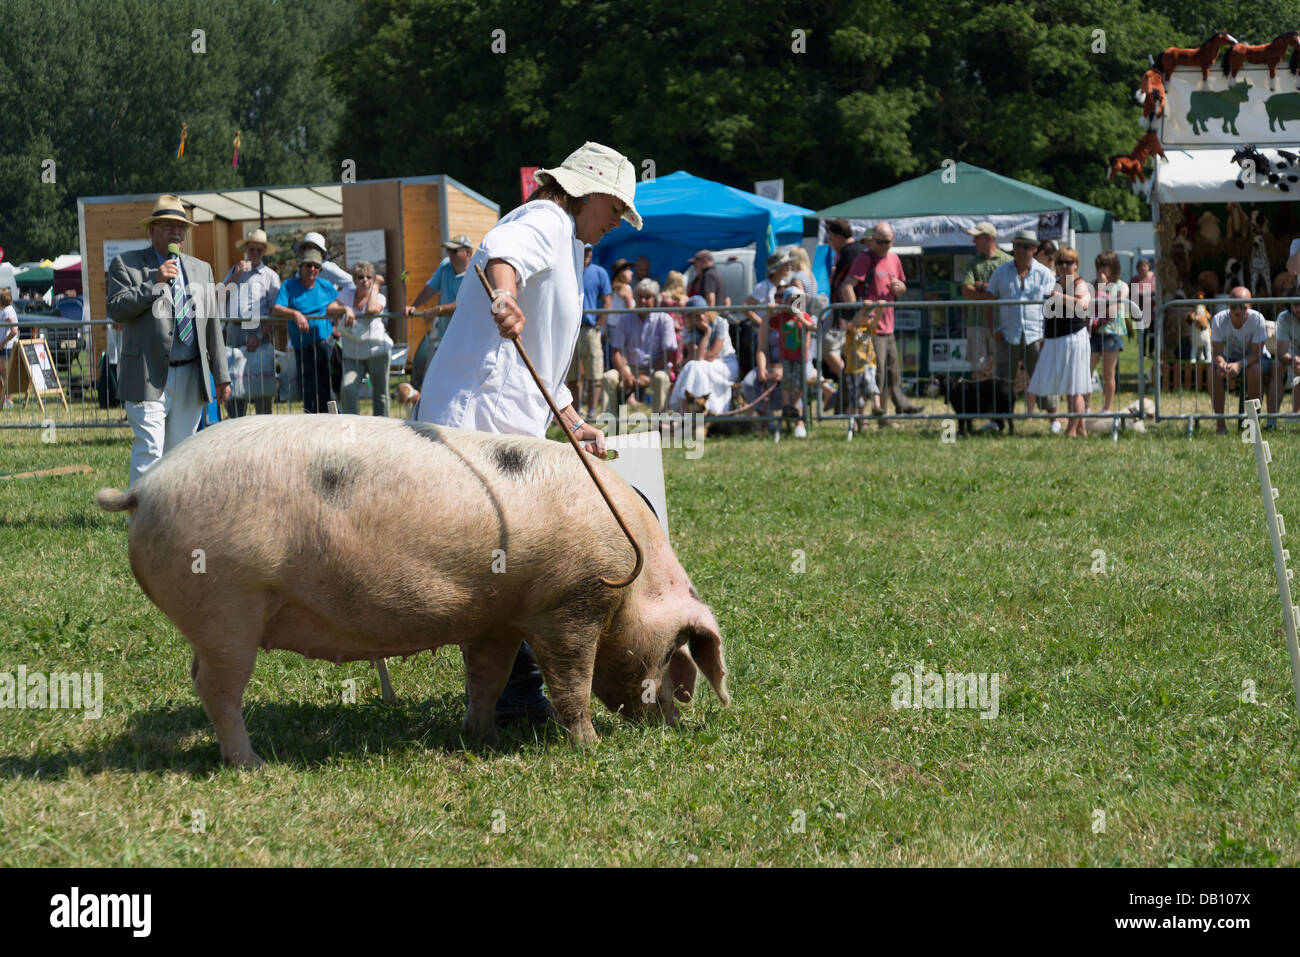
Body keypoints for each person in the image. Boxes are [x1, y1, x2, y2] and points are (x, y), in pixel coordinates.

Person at [416, 140, 638, 726]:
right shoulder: (543, 217)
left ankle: (510, 693)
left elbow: (542, 360)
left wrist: (572, 420)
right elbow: (501, 253)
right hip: (475, 420)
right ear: (587, 192)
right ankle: (515, 696)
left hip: (507, 425)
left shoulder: (571, 245)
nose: (615, 224)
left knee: (510, 557)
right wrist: (506, 297)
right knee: (505, 556)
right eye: (614, 210)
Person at [105, 194, 231, 485]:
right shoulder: (127, 264)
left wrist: (221, 375)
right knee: (150, 449)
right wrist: (154, 283)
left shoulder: (202, 269)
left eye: (181, 226)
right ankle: (140, 521)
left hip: (190, 373)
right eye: (168, 225)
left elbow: (212, 325)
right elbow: (116, 308)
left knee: (181, 453)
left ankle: (170, 520)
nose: (177, 231)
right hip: (147, 373)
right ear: (152, 230)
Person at [841, 221, 921, 418]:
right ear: (873, 240)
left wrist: (900, 288)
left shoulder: (894, 259)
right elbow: (846, 286)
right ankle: (865, 417)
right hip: (871, 327)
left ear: (892, 240)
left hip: (889, 326)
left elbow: (902, 286)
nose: (884, 246)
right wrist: (859, 313)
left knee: (892, 373)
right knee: (875, 374)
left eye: (887, 242)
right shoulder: (864, 258)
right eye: (880, 242)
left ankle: (887, 414)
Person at [984, 229, 1058, 428]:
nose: (1020, 250)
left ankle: (1054, 420)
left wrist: (1047, 335)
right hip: (1007, 334)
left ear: (1034, 249)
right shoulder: (1000, 272)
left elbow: (1052, 305)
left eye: (1025, 246)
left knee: (1043, 376)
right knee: (1001, 381)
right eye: (1016, 246)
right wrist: (994, 330)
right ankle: (996, 421)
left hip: (1037, 334)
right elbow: (989, 301)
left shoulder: (1044, 274)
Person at [272, 244, 353, 413]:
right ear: (300, 266)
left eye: (316, 266)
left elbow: (336, 304)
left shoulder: (325, 286)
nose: (312, 269)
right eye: (308, 265)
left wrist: (346, 310)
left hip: (325, 344)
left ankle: (332, 421)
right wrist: (296, 314)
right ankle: (310, 422)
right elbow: (276, 308)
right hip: (302, 346)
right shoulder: (289, 286)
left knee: (327, 387)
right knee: (308, 388)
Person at [221, 227, 281, 418]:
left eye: (259, 250)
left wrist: (260, 335)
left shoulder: (271, 277)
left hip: (257, 331)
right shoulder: (234, 270)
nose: (254, 253)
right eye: (251, 249)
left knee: (260, 383)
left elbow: (274, 312)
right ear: (246, 249)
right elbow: (220, 297)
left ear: (264, 252)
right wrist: (234, 277)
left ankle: (264, 429)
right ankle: (235, 424)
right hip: (234, 331)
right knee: (234, 382)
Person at [1032, 246, 1092, 437]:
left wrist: (1059, 297)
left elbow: (1082, 304)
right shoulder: (1055, 283)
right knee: (1071, 387)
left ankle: (1072, 429)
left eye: (1069, 262)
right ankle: (1081, 428)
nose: (1064, 266)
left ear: (1076, 264)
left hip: (1074, 337)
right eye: (1060, 262)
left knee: (1075, 388)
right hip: (1056, 339)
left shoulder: (1080, 283)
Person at [602, 278, 675, 414]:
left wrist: (649, 374)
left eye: (647, 297)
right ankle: (609, 424)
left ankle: (659, 423)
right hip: (630, 368)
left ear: (656, 299)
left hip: (655, 369)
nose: (642, 301)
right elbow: (616, 351)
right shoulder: (625, 320)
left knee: (662, 378)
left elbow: (667, 354)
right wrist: (625, 373)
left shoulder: (665, 320)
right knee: (608, 377)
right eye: (640, 297)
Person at [1211, 287, 1275, 434]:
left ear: (1250, 306)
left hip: (1256, 359)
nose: (1237, 311)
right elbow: (1217, 353)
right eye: (1233, 306)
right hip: (1230, 359)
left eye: (1242, 306)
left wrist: (1240, 365)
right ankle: (1220, 426)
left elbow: (1257, 353)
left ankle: (1254, 426)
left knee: (1254, 370)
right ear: (1228, 305)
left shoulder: (1257, 319)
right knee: (1212, 370)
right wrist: (1222, 363)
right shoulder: (1219, 319)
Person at [336, 260, 390, 417]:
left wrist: (376, 285)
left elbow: (372, 309)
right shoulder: (346, 294)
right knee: (347, 390)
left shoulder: (379, 297)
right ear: (354, 280)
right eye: (360, 277)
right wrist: (346, 308)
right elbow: (330, 308)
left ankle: (382, 432)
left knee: (381, 395)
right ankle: (351, 430)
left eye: (369, 277)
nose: (365, 280)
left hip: (377, 351)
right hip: (353, 354)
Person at [668, 296, 738, 414]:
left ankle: (683, 411)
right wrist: (706, 335)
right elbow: (698, 357)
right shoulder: (689, 330)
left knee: (693, 366)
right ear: (691, 318)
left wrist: (707, 332)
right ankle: (692, 411)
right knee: (694, 366)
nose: (701, 317)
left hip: (725, 364)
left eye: (703, 312)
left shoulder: (720, 324)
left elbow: (710, 356)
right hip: (702, 366)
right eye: (696, 315)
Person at [959, 222, 1012, 378]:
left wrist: (982, 287)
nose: (973, 241)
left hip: (1002, 323)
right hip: (976, 322)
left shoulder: (1008, 261)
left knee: (1000, 369)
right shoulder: (972, 262)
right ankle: (978, 402)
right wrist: (993, 294)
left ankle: (997, 402)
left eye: (977, 237)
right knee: (978, 370)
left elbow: (1010, 292)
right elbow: (966, 291)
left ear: (989, 238)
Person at [566, 244, 610, 416]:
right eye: (584, 250)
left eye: (589, 250)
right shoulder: (569, 269)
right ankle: (576, 413)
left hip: (590, 329)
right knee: (572, 375)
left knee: (595, 373)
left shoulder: (599, 272)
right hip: (571, 330)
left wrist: (600, 324)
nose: (587, 253)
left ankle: (591, 412)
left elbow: (607, 300)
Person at [406, 234, 473, 342]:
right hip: (446, 336)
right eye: (448, 250)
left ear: (468, 252)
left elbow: (465, 303)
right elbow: (429, 289)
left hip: (468, 336)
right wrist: (413, 306)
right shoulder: (445, 265)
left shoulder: (475, 273)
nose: (450, 254)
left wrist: (438, 310)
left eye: (454, 251)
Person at [823, 219, 867, 384]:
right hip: (850, 311)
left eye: (831, 237)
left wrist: (850, 313)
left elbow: (843, 285)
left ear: (837, 236)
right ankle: (852, 382)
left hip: (845, 312)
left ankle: (850, 382)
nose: (830, 241)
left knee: (827, 346)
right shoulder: (859, 250)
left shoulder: (849, 253)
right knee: (847, 351)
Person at [770, 284, 815, 438]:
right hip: (786, 358)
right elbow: (768, 323)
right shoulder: (781, 316)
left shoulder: (804, 315)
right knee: (787, 384)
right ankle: (787, 407)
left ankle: (796, 412)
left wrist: (802, 317)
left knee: (798, 385)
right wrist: (773, 309)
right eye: (792, 300)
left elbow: (812, 326)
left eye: (798, 300)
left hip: (801, 358)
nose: (796, 303)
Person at [1089, 251, 1130, 414]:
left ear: (1113, 267)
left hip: (1112, 334)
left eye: (1104, 265)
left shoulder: (1122, 286)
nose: (1101, 270)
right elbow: (1089, 308)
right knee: (1087, 373)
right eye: (1099, 266)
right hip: (1094, 333)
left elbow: (1114, 310)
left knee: (1108, 374)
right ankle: (1085, 407)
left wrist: (1101, 299)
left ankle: (1106, 408)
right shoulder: (1093, 284)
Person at [743, 251, 792, 381]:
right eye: (785, 264)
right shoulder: (763, 287)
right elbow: (746, 306)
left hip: (783, 332)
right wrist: (762, 323)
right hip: (767, 334)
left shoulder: (786, 285)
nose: (789, 266)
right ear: (776, 268)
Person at [1274, 281, 1300, 415]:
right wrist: (1293, 361)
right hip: (1295, 356)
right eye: (1295, 304)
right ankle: (1273, 420)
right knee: (1283, 367)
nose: (1298, 309)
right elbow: (1282, 353)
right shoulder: (1284, 318)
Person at [606, 258, 636, 372]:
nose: (631, 272)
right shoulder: (626, 288)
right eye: (628, 270)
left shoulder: (612, 289)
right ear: (621, 273)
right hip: (624, 330)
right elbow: (631, 311)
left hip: (612, 329)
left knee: (616, 360)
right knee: (625, 362)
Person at [0, 288, 18, 406]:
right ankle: (4, 398)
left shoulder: (7, 311)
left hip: (6, 348)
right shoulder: (6, 310)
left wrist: (3, 342)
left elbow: (14, 331)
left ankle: (8, 400)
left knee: (6, 375)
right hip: (5, 347)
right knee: (5, 374)